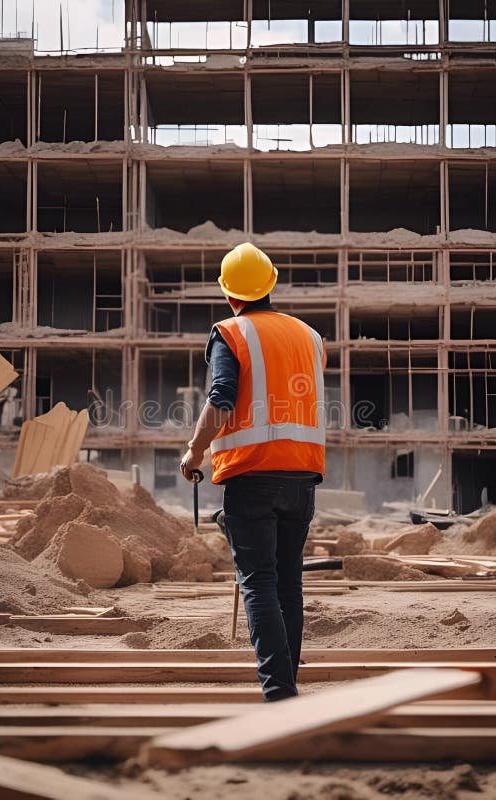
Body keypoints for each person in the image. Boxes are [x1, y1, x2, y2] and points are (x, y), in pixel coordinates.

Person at [180, 242, 326, 702]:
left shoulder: (232, 332)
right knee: (288, 584)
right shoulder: (310, 336)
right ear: (271, 284)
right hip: (302, 475)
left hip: (251, 476)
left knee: (259, 584)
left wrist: (195, 451)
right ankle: (288, 688)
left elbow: (222, 397)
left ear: (229, 294)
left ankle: (280, 694)